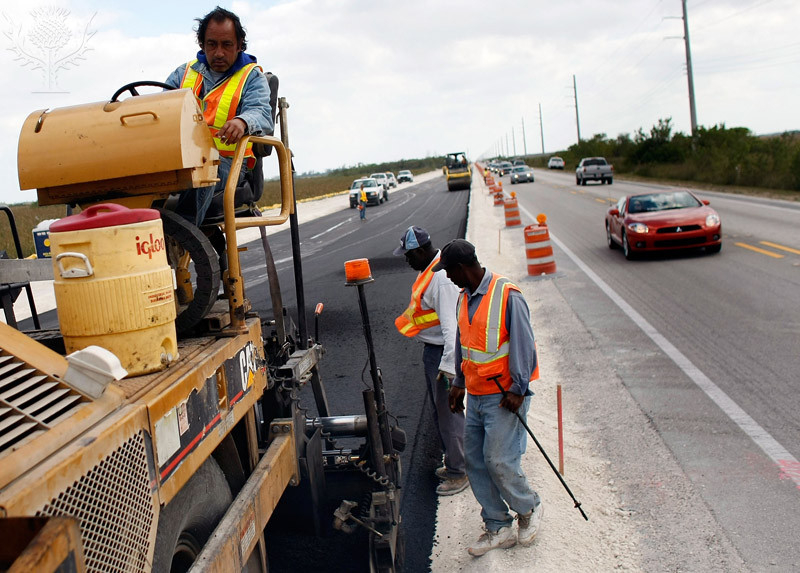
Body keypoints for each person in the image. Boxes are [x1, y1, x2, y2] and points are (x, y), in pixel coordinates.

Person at [435, 239, 543, 557]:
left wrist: (518, 389)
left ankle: (529, 508)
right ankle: (498, 525)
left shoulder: (507, 295)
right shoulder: (463, 298)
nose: (448, 277)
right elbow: (463, 343)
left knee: (499, 461)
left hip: (504, 397)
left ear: (462, 267)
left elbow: (524, 343)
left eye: (449, 272)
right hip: (478, 396)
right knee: (477, 463)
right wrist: (458, 383)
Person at [165, 6, 273, 225]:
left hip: (228, 165)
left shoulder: (252, 77)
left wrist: (243, 121)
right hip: (181, 162)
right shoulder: (182, 73)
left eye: (227, 45)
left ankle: (181, 238)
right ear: (202, 44)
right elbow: (161, 111)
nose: (219, 53)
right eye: (212, 45)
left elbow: (262, 114)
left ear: (240, 44)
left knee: (205, 170)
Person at [393, 227, 467, 496]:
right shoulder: (429, 272)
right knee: (441, 413)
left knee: (450, 415)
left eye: (409, 255)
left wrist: (449, 368)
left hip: (443, 355)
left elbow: (453, 329)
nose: (406, 260)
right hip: (433, 352)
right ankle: (454, 461)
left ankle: (460, 471)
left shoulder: (441, 280)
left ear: (422, 251)